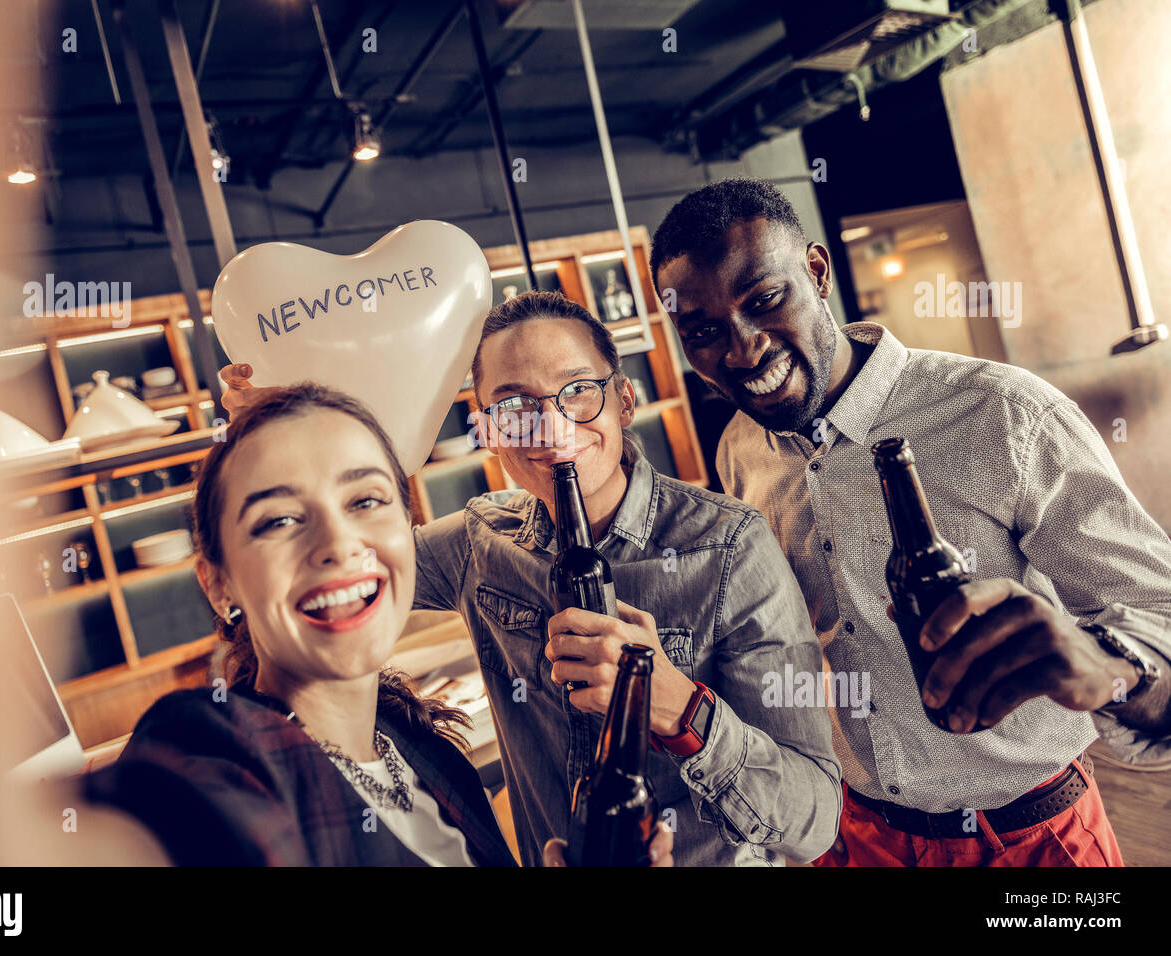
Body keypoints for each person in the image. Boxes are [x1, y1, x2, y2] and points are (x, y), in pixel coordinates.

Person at [650, 177, 1171, 866]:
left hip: (1031, 838)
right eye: (705, 332)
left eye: (764, 300)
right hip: (858, 833)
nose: (742, 350)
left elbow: (1157, 610)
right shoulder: (739, 449)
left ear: (816, 271)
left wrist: (1111, 664)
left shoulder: (1004, 413)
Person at [222, 292, 842, 867]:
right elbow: (336, 569)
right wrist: (281, 444)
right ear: (489, 430)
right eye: (515, 407)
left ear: (624, 401)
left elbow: (814, 817)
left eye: (577, 391)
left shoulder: (729, 545)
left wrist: (677, 707)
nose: (551, 429)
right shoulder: (478, 540)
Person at [85, 382, 673, 866]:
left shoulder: (425, 751)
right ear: (218, 584)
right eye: (279, 519)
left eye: (365, 501)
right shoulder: (217, 750)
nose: (339, 544)